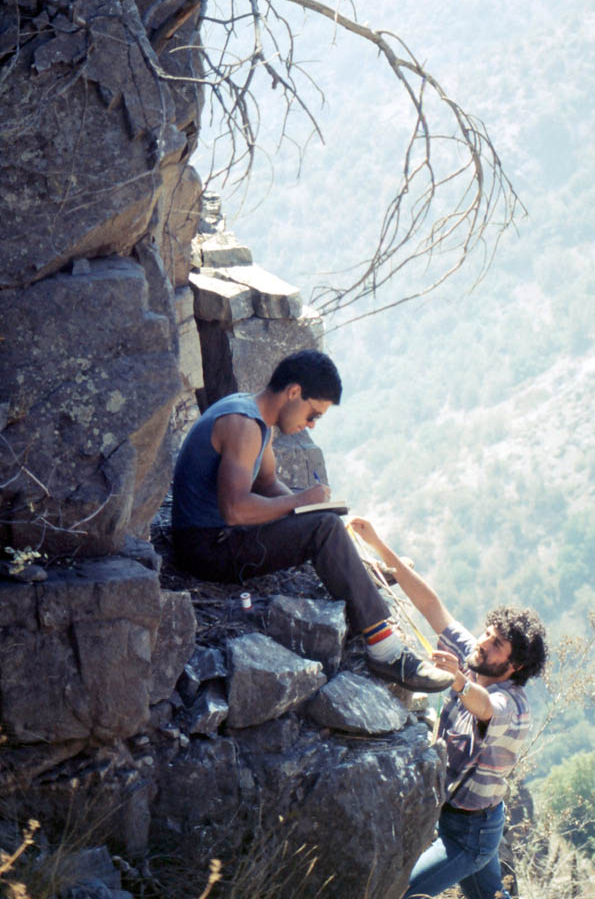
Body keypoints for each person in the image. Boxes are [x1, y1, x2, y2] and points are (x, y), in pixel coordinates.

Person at [171, 349, 452, 695]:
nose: (312, 424)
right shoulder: (244, 426)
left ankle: (358, 576)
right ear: (293, 392)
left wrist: (310, 511)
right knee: (324, 529)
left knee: (322, 522)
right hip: (206, 548)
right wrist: (302, 504)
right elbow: (235, 510)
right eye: (312, 413)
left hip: (219, 535)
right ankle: (386, 651)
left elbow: (268, 485)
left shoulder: (254, 415)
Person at [349, 517, 548, 899]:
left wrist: (458, 680)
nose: (483, 644)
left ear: (515, 665)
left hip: (470, 834)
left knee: (396, 893)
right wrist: (378, 544)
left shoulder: (514, 706)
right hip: (468, 818)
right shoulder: (472, 657)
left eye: (496, 645)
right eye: (487, 634)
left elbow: (486, 707)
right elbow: (429, 604)